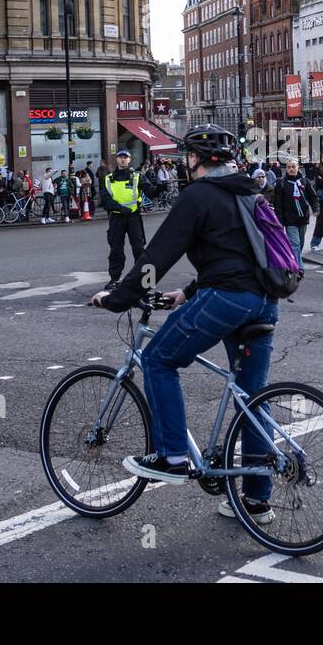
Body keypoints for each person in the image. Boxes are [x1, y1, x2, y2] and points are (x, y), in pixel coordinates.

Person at [89, 124, 281, 525]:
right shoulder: (249, 191)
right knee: (251, 397)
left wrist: (118, 297)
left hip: (228, 298)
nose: (184, 163)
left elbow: (157, 256)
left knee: (157, 359)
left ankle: (173, 456)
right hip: (264, 300)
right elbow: (241, 252)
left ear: (195, 159)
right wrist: (189, 293)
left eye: (186, 157)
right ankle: (256, 500)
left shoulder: (198, 195)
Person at [99, 149, 160, 290]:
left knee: (139, 248)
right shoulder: (109, 178)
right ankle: (114, 279)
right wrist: (120, 208)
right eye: (120, 157)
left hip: (133, 217)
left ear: (129, 159)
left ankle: (144, 280)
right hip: (116, 218)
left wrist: (159, 189)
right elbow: (106, 199)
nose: (123, 159)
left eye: (125, 157)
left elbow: (149, 191)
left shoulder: (137, 176)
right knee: (116, 250)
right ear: (116, 159)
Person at [271, 157, 317, 271]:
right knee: (295, 244)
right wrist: (279, 222)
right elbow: (278, 204)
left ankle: (295, 259)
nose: (291, 169)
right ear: (285, 169)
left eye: (293, 167)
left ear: (298, 167)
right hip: (289, 219)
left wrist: (315, 209)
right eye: (288, 167)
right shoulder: (281, 183)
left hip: (303, 218)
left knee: (300, 244)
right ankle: (298, 268)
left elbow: (313, 197)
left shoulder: (305, 181)